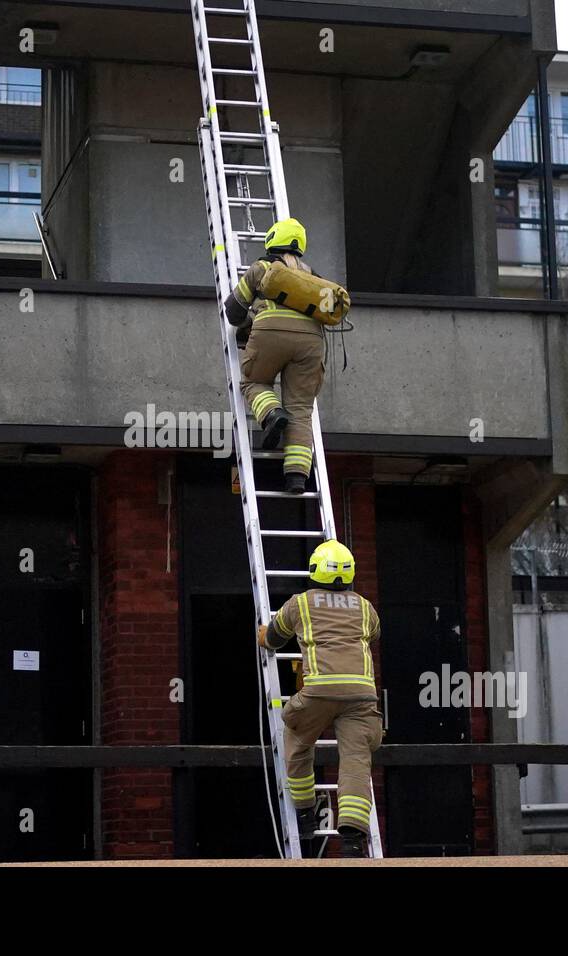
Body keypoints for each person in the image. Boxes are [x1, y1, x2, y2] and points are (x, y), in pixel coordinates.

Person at [257, 539, 383, 858]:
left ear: (315, 570)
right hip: (361, 694)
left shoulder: (300, 604)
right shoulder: (366, 607)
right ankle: (353, 840)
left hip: (320, 690)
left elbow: (273, 638)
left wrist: (262, 634)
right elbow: (375, 635)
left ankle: (304, 815)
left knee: (297, 737)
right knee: (356, 760)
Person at [223, 217, 334, 495]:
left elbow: (234, 310)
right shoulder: (314, 277)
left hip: (270, 333)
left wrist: (247, 325)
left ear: (273, 239)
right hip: (311, 344)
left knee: (253, 382)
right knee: (300, 409)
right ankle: (296, 477)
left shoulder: (262, 267)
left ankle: (271, 414)